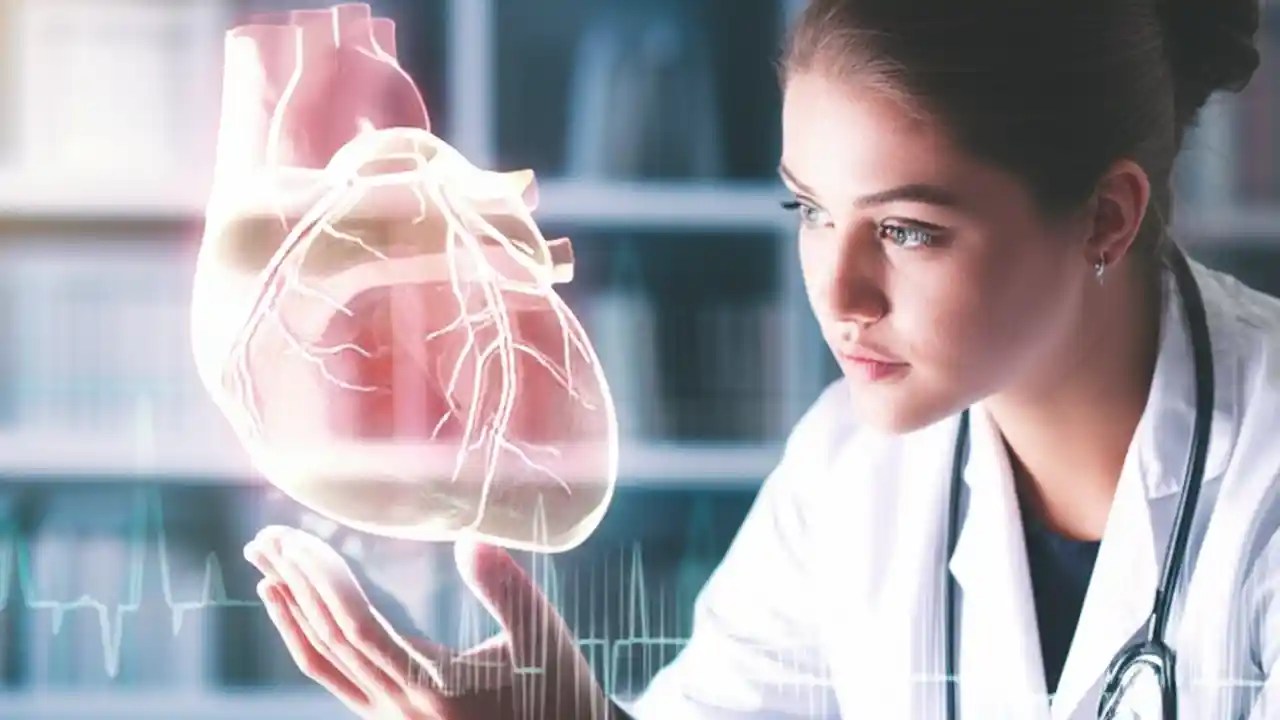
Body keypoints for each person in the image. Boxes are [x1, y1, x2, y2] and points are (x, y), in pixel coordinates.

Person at [243, 0, 1280, 717]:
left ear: (1103, 216)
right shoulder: (847, 473)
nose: (833, 294)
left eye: (907, 230)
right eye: (811, 211)